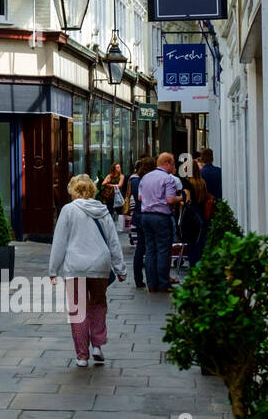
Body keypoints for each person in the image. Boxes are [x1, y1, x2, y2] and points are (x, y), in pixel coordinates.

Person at [49, 174, 126, 367]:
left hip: (75, 266)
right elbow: (113, 242)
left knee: (78, 309)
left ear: (73, 190)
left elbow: (59, 242)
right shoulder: (102, 210)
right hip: (100, 265)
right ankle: (98, 346)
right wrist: (120, 268)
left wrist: (53, 269)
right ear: (92, 190)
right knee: (98, 305)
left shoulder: (68, 210)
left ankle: (82, 356)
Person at [139, 152, 186, 292]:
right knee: (163, 250)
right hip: (161, 217)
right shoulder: (168, 179)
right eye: (173, 164)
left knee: (150, 250)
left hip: (146, 216)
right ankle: (163, 283)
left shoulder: (145, 177)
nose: (174, 167)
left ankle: (152, 284)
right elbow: (170, 200)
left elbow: (140, 198)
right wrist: (180, 197)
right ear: (167, 163)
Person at [128, 156, 155, 287]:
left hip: (139, 216)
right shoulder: (139, 181)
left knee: (141, 248)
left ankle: (138, 278)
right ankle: (141, 278)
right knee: (144, 247)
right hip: (143, 215)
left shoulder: (135, 180)